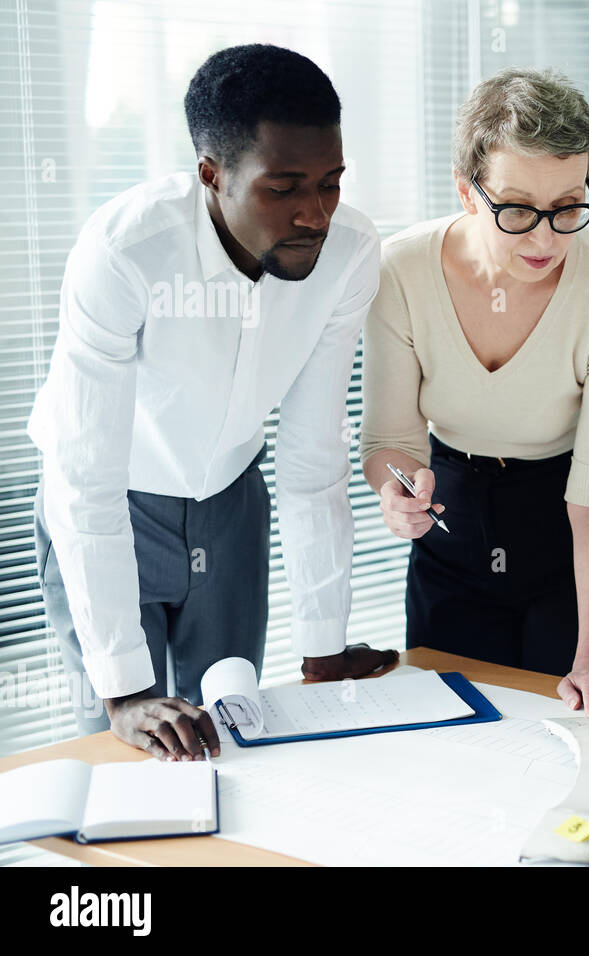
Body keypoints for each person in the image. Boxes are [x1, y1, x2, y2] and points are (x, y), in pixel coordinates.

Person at [29, 44, 397, 761]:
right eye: (283, 187)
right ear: (211, 174)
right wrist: (125, 690)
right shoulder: (125, 251)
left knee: (232, 737)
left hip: (231, 504)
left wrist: (323, 648)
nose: (315, 214)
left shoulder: (351, 252)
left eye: (330, 182)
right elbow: (85, 476)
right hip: (110, 509)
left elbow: (312, 455)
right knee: (126, 751)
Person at [359, 68, 589, 720]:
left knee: (576, 734)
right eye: (517, 209)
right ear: (467, 192)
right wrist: (396, 493)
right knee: (456, 743)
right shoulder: (400, 273)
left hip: (573, 531)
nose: (547, 238)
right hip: (452, 520)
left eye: (569, 206)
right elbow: (390, 442)